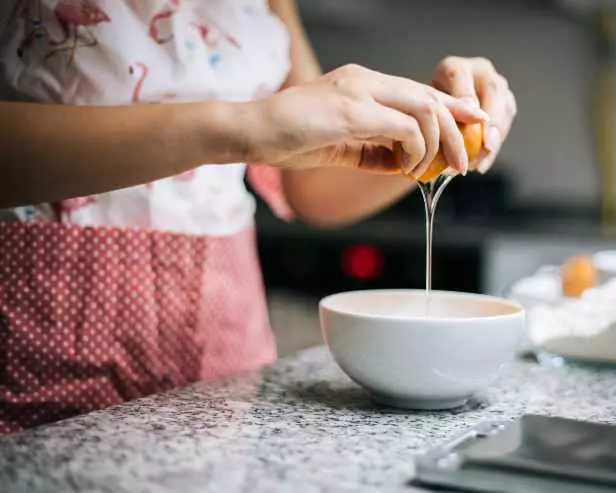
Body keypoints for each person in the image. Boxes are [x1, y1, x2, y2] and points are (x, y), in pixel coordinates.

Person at [0, 0, 517, 435]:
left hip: (224, 348)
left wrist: (432, 129)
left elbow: (312, 186)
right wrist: (242, 127)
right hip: (40, 335)